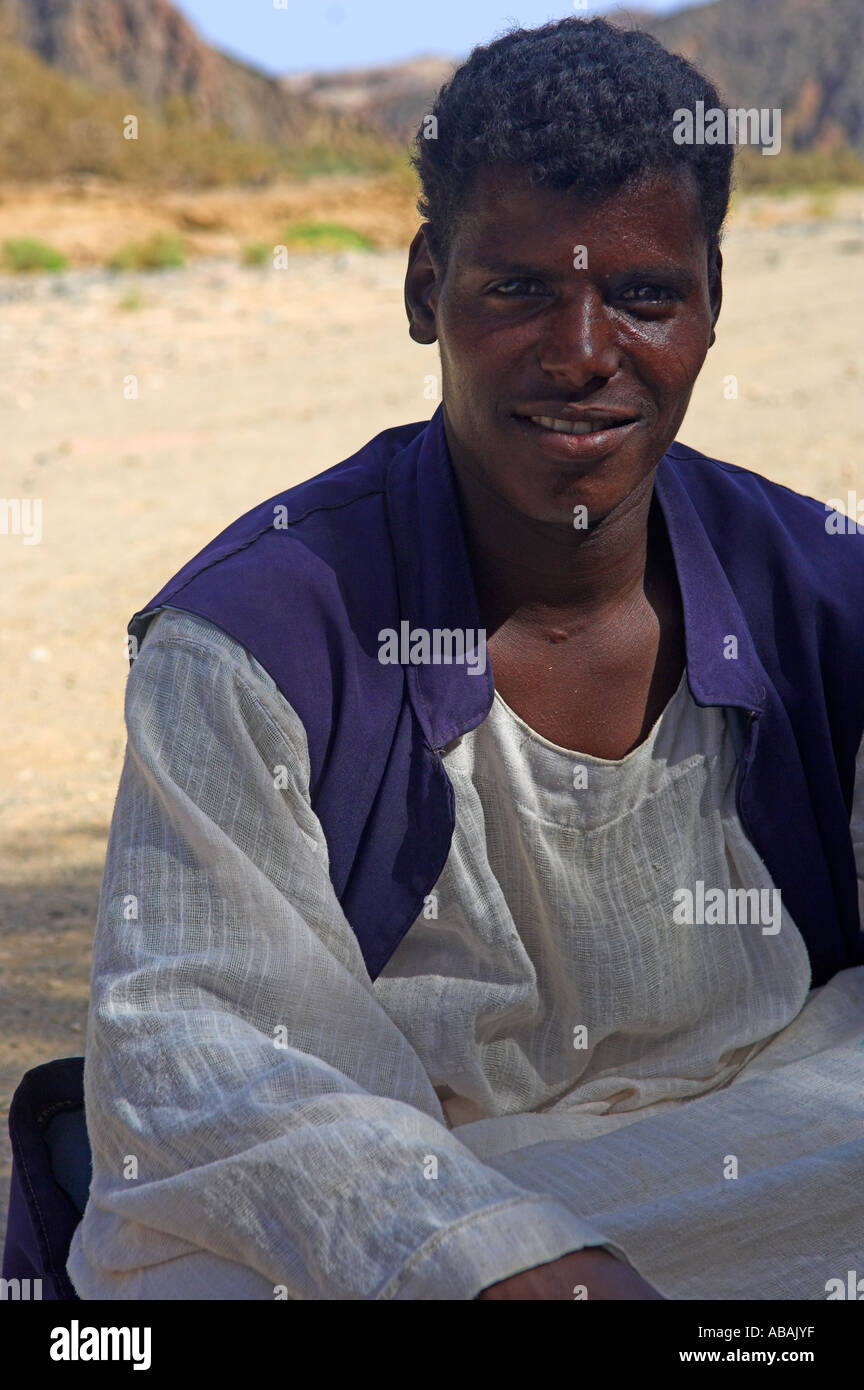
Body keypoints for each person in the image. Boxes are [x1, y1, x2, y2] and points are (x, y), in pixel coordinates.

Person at [67, 17, 864, 1301]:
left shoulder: (826, 594)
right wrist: (492, 1257)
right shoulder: (256, 634)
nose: (585, 351)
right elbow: (193, 1052)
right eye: (520, 288)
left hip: (746, 1159)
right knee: (191, 1287)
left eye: (644, 295)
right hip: (416, 1191)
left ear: (713, 297)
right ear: (425, 285)